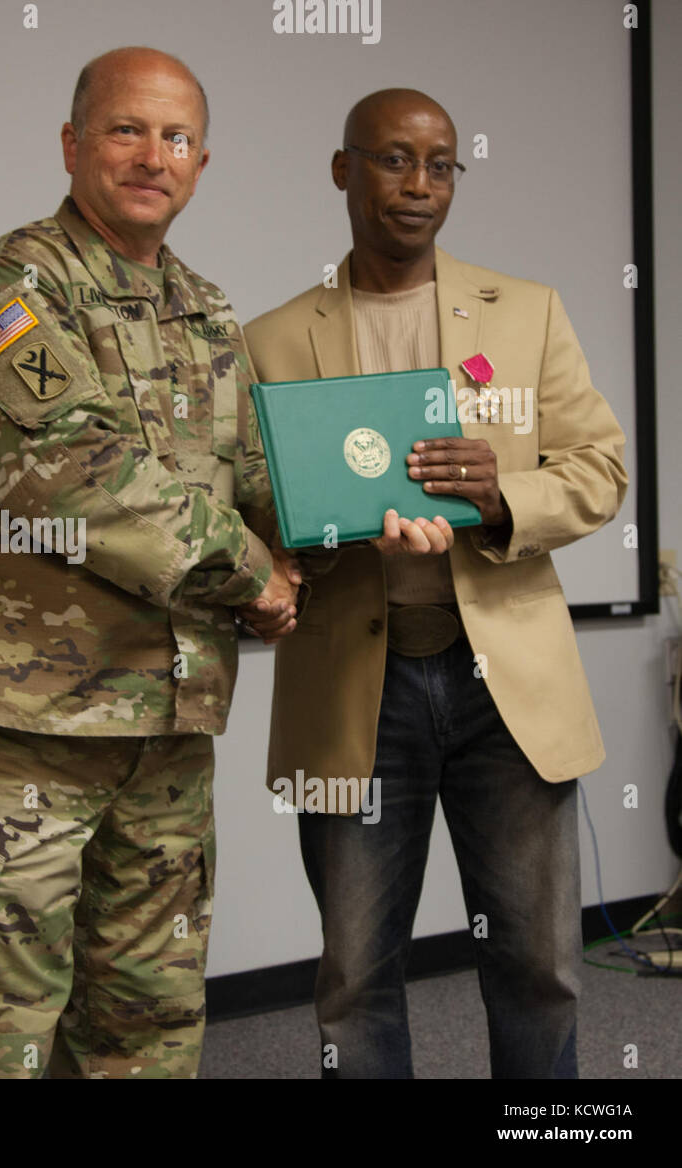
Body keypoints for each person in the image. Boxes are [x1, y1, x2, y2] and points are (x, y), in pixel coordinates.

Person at [0, 46, 298, 1078]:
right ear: (72, 145)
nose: (152, 155)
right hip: (16, 742)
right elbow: (77, 475)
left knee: (145, 1036)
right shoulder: (13, 288)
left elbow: (255, 477)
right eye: (126, 129)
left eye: (176, 136)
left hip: (163, 738)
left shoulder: (204, 311)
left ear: (203, 161)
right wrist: (255, 579)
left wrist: (352, 525)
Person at [242, 88, 628, 1078]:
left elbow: (600, 469)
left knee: (538, 964)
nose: (419, 184)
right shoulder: (272, 340)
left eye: (440, 163)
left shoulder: (527, 311)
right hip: (355, 698)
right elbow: (250, 515)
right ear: (342, 170)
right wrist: (306, 542)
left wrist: (502, 497)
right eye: (392, 159)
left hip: (505, 687)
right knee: (355, 979)